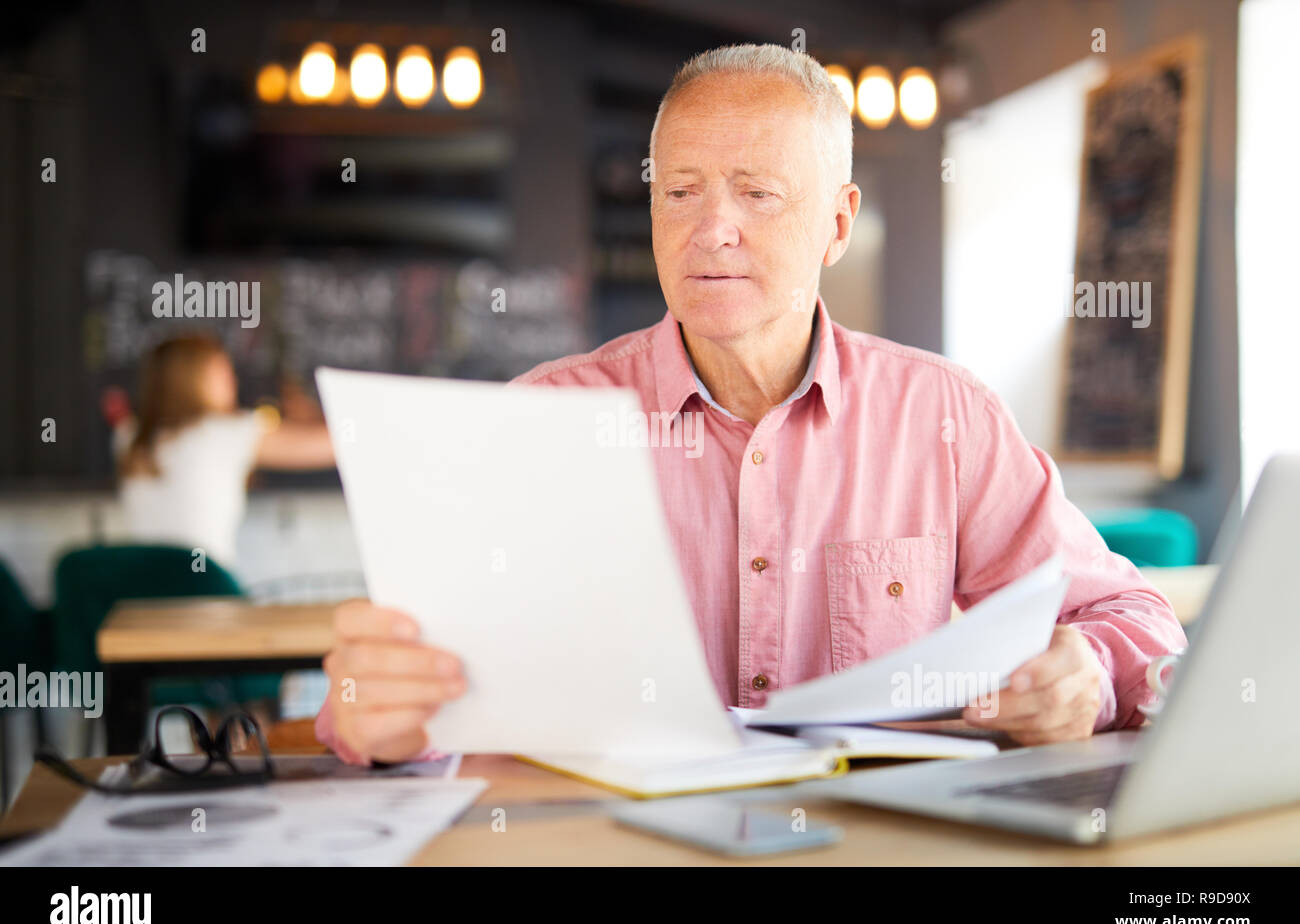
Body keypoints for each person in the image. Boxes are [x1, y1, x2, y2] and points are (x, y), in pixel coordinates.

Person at [315, 44, 1188, 765]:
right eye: (680, 192)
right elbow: (394, 713)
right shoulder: (537, 421)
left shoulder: (944, 417)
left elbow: (1136, 620)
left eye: (758, 193)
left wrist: (1093, 676)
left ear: (838, 226)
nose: (710, 228)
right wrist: (376, 718)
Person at [115, 333, 335, 572]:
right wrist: (314, 414)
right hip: (203, 581)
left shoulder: (126, 435)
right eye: (222, 372)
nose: (233, 381)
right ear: (194, 379)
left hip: (140, 587)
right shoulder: (227, 433)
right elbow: (335, 444)